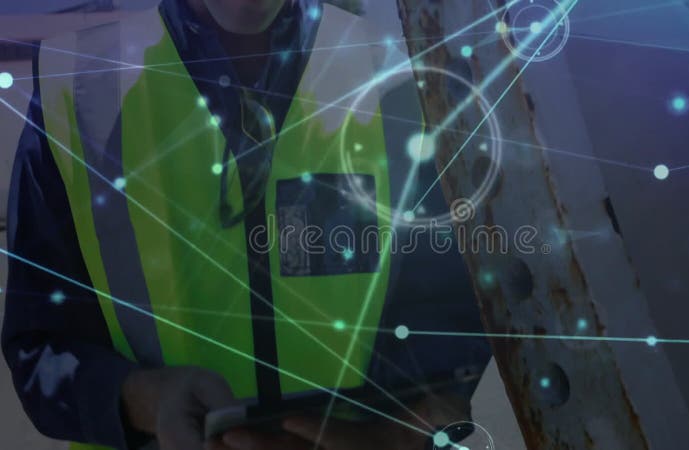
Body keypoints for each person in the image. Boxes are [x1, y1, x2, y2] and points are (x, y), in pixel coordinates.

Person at [2, 0, 491, 449]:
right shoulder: (82, 85)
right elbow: (39, 341)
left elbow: (457, 307)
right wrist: (143, 399)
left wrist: (398, 429)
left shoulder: (396, 75)